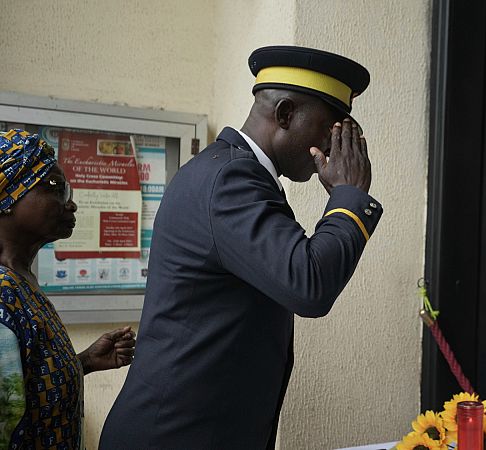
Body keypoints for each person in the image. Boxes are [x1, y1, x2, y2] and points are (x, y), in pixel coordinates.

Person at [100, 46, 382, 449]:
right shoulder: (231, 179)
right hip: (173, 437)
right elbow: (309, 283)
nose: (331, 148)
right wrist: (349, 195)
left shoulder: (236, 173)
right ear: (285, 114)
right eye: (327, 130)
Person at [0, 129, 136, 449]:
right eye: (56, 188)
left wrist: (84, 362)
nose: (71, 204)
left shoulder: (21, 281)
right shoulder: (2, 296)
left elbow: (25, 388)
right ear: (7, 197)